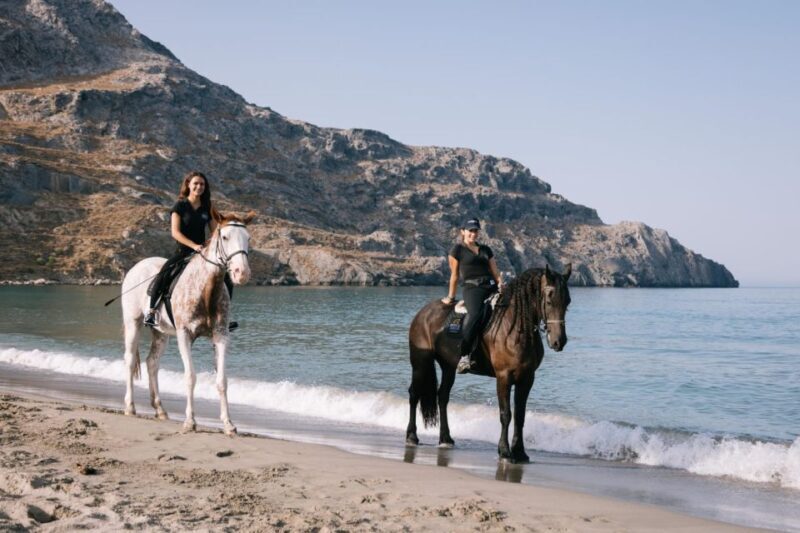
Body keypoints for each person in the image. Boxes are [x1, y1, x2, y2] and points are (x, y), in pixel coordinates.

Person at [143, 171, 236, 330]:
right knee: (165, 273)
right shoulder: (180, 206)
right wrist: (194, 246)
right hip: (184, 251)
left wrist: (210, 247)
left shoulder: (208, 207)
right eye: (196, 184)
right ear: (188, 185)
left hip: (203, 253)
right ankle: (151, 311)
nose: (199, 187)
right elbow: (175, 233)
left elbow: (215, 232)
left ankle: (226, 316)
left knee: (226, 277)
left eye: (202, 184)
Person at [442, 218, 504, 373]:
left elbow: (495, 271)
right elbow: (455, 275)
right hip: (472, 288)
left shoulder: (486, 249)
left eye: (476, 230)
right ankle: (464, 355)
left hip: (491, 286)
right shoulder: (457, 250)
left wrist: (501, 283)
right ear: (462, 231)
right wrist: (451, 297)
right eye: (470, 230)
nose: (473, 234)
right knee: (475, 314)